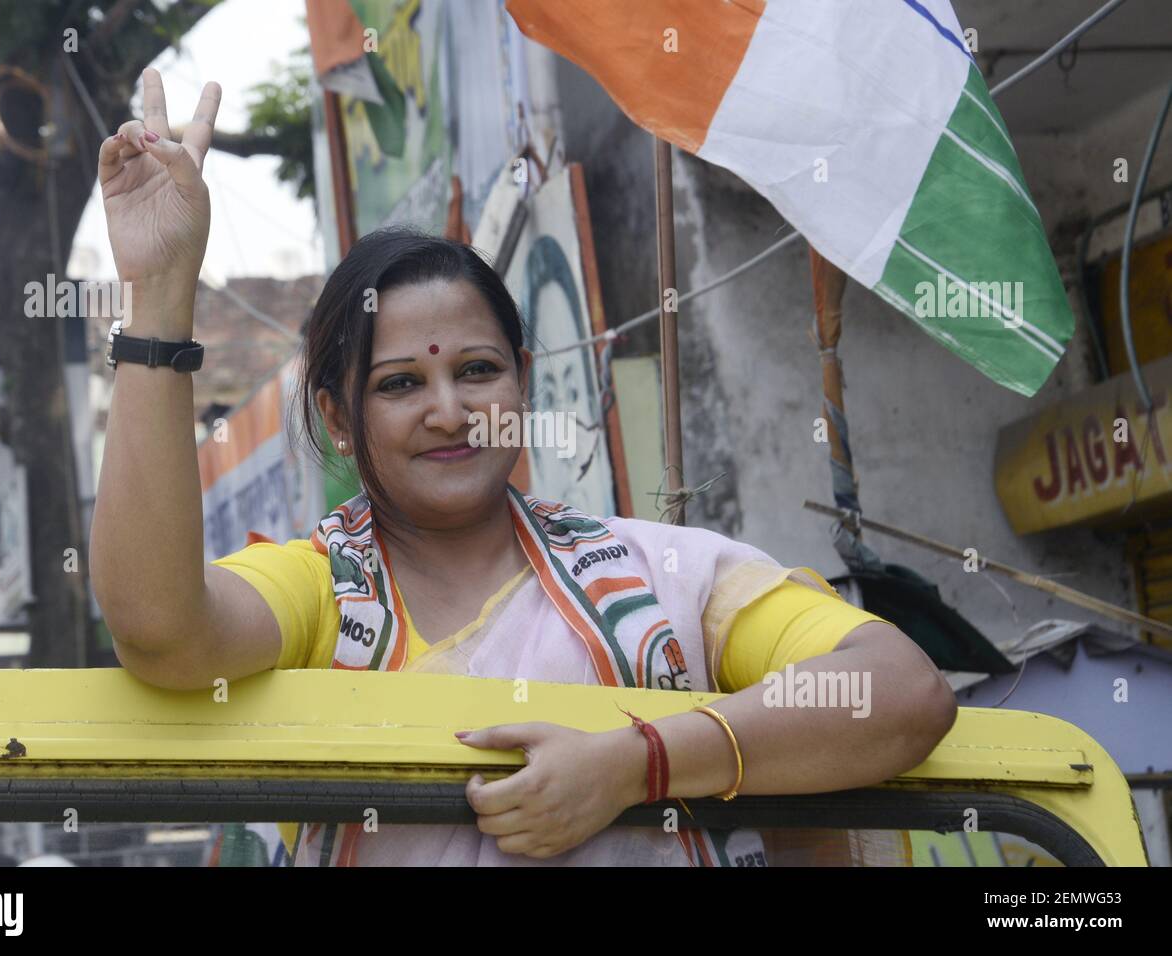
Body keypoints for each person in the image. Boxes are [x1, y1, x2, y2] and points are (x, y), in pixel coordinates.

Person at [90, 69, 957, 867]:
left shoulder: (665, 577)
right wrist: (161, 294)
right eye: (399, 384)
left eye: (477, 370)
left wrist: (634, 767)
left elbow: (901, 693)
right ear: (336, 420)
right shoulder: (322, 597)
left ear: (523, 383)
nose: (450, 410)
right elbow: (162, 635)